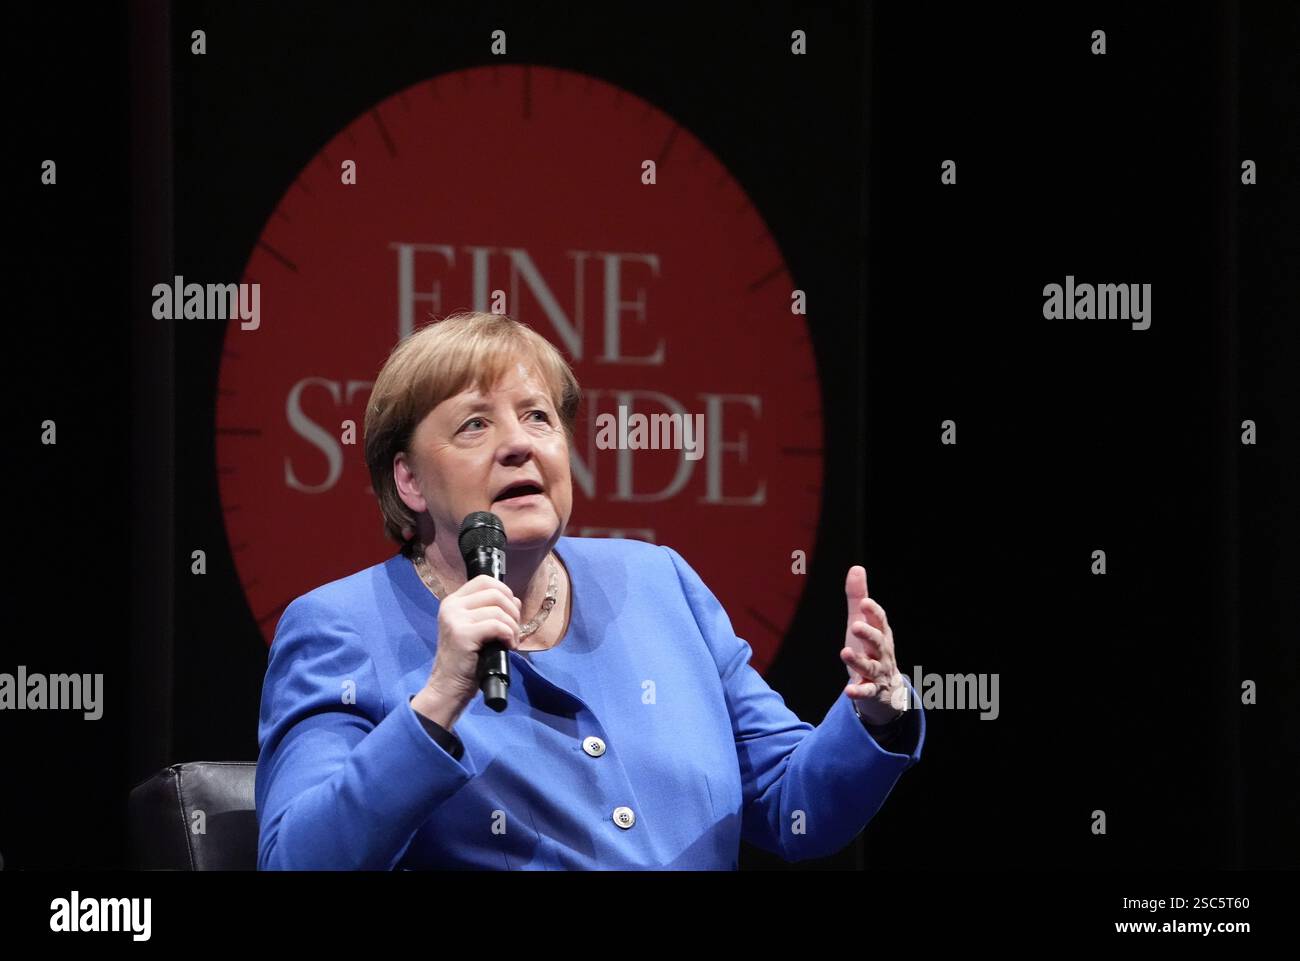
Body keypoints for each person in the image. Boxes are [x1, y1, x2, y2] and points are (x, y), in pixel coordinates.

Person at [255, 311, 925, 870]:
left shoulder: (660, 584)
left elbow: (791, 806)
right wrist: (433, 705)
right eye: (475, 424)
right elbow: (294, 859)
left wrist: (876, 714)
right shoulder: (340, 626)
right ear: (409, 481)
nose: (520, 444)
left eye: (538, 417)